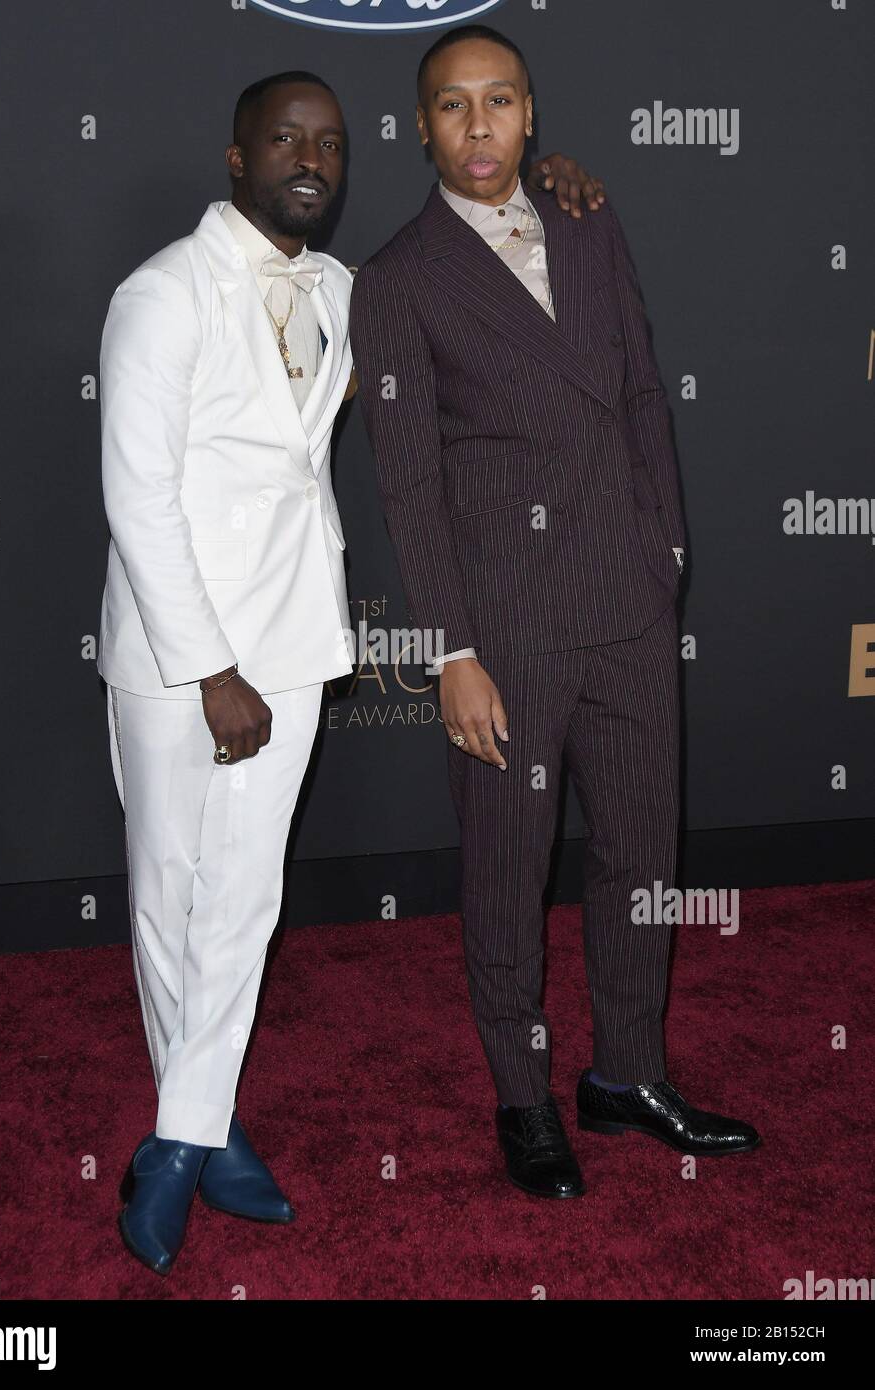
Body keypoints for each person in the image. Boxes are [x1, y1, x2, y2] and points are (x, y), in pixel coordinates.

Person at [97, 67, 602, 1273]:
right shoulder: (162, 294)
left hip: (293, 641)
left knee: (247, 899)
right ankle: (195, 1139)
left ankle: (187, 1133)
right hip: (183, 656)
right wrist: (209, 664)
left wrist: (554, 186)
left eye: (328, 141)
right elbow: (138, 499)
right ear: (237, 155)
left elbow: (470, 263)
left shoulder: (345, 286)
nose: (308, 158)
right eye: (284, 138)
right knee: (171, 890)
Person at [348, 25, 760, 1201]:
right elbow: (409, 488)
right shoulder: (396, 280)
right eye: (451, 106)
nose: (478, 127)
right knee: (505, 871)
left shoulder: (587, 218)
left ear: (532, 114)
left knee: (641, 855)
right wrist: (453, 653)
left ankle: (626, 1071)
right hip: (507, 631)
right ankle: (525, 1099)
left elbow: (639, 386)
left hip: (627, 604)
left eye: (499, 101)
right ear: (420, 125)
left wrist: (662, 549)